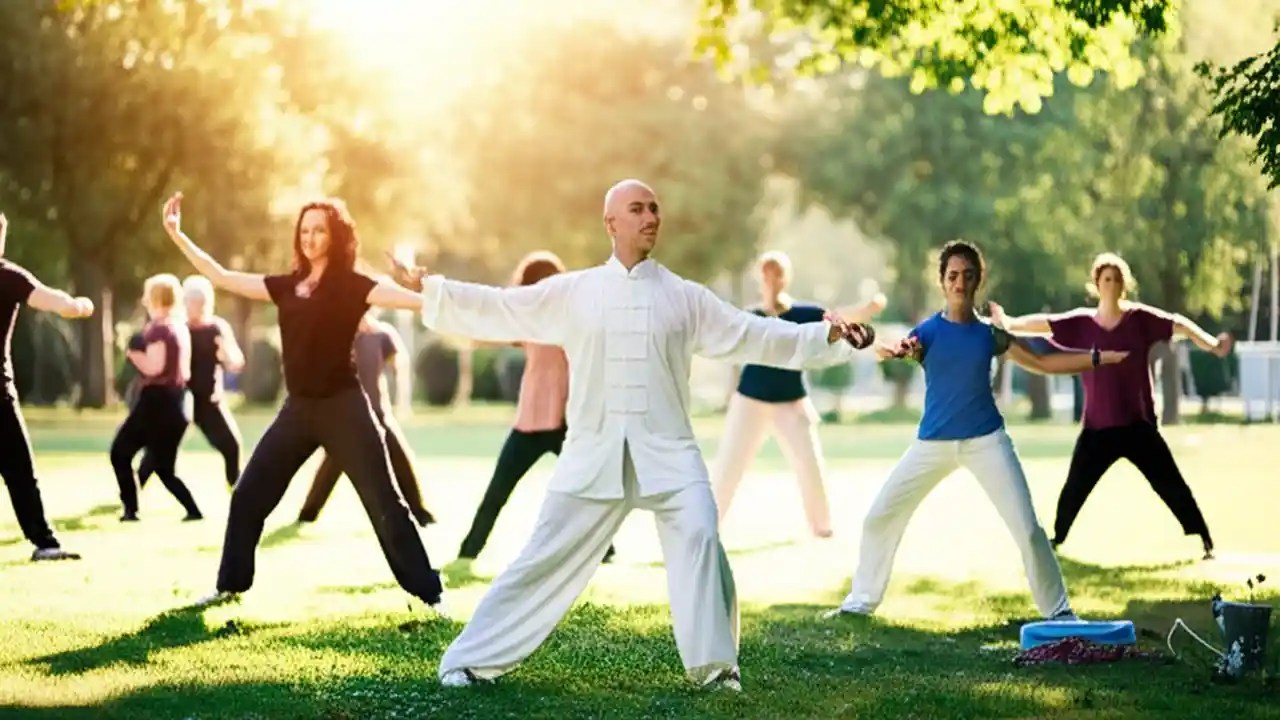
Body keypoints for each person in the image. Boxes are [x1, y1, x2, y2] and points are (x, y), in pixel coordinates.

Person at [389, 179, 874, 691]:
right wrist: (432, 289)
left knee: (702, 534)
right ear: (611, 223)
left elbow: (755, 334)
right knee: (542, 555)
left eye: (655, 209)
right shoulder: (574, 291)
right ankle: (468, 661)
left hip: (669, 455)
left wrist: (829, 336)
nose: (650, 217)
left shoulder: (685, 297)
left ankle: (715, 669)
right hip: (591, 455)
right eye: (637, 209)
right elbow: (503, 305)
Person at [158, 192, 443, 609]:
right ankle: (230, 585)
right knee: (249, 494)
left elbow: (418, 304)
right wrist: (178, 236)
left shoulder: (353, 286)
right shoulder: (287, 285)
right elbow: (222, 276)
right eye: (304, 231)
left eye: (319, 231)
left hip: (344, 408)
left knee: (385, 503)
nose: (309, 238)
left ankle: (430, 593)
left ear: (336, 236)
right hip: (299, 409)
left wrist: (423, 285)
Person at [826, 240, 1129, 622]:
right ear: (942, 281)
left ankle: (1060, 613)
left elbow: (1042, 361)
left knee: (1028, 529)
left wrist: (1100, 358)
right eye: (953, 275)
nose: (960, 282)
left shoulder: (991, 334)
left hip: (987, 441)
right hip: (932, 443)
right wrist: (864, 340)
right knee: (879, 516)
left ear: (977, 281)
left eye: (968, 276)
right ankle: (859, 603)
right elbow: (894, 349)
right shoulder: (928, 332)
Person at [989, 252, 1229, 560]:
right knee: (1075, 487)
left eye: (1117, 279)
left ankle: (1204, 538)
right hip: (1098, 428)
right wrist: (1008, 323)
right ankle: (1057, 539)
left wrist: (1209, 343)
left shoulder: (1139, 320)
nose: (1111, 284)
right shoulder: (1083, 323)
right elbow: (1045, 325)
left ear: (1123, 285)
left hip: (1138, 425)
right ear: (1096, 284)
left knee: (1170, 482)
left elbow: (1178, 325)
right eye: (1106, 279)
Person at [449, 251, 615, 576]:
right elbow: (484, 330)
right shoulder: (524, 320)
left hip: (567, 422)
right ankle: (467, 554)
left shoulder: (574, 318)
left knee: (588, 486)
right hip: (530, 421)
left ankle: (606, 549)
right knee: (498, 491)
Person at [712, 249, 887, 538]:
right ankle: (709, 525)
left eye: (777, 273)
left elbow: (839, 319)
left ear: (786, 278)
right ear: (760, 278)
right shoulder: (752, 316)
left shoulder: (805, 314)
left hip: (791, 402)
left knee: (810, 466)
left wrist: (868, 308)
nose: (772, 279)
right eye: (766, 273)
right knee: (729, 465)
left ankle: (822, 527)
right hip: (750, 400)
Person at [0, 212, 92, 561]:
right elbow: (49, 299)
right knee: (20, 470)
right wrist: (78, 306)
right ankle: (46, 543)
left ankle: (46, 542)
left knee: (19, 470)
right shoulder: (7, 276)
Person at [296, 309, 435, 527]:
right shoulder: (337, 334)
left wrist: (403, 402)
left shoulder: (381, 335)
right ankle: (308, 514)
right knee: (331, 465)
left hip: (379, 412)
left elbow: (399, 367)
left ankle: (419, 511)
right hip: (345, 414)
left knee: (400, 458)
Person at [138, 275, 245, 489]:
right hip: (180, 399)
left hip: (209, 401)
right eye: (192, 302)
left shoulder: (217, 327)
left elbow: (236, 361)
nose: (197, 307)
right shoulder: (177, 328)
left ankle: (236, 488)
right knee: (158, 450)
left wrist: (226, 355)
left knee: (231, 446)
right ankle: (132, 489)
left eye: (201, 302)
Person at [112, 274, 204, 522]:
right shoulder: (180, 327)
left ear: (153, 298)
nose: (143, 300)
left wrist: (131, 353)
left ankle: (131, 510)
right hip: (178, 402)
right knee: (164, 468)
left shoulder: (159, 329)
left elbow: (154, 367)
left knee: (120, 453)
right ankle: (193, 511)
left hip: (156, 402)